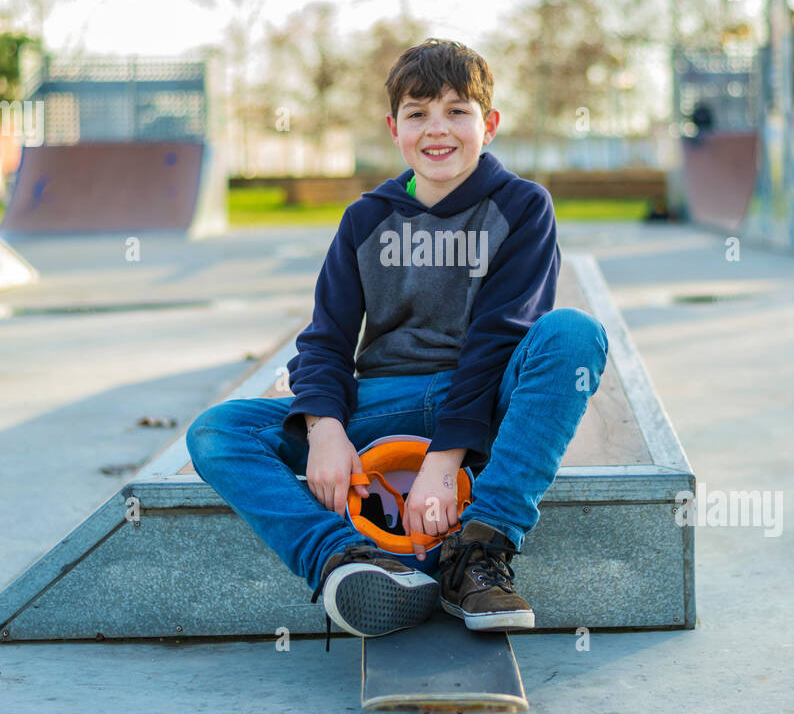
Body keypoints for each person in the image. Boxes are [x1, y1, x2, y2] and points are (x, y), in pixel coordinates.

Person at [186, 38, 609, 645]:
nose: (438, 130)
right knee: (217, 431)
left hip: (484, 407)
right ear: (394, 129)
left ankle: (479, 551)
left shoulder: (522, 206)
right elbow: (326, 339)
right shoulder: (365, 218)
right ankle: (349, 562)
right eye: (418, 114)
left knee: (573, 334)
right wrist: (324, 429)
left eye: (457, 111)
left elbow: (498, 339)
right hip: (383, 407)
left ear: (488, 124)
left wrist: (444, 462)